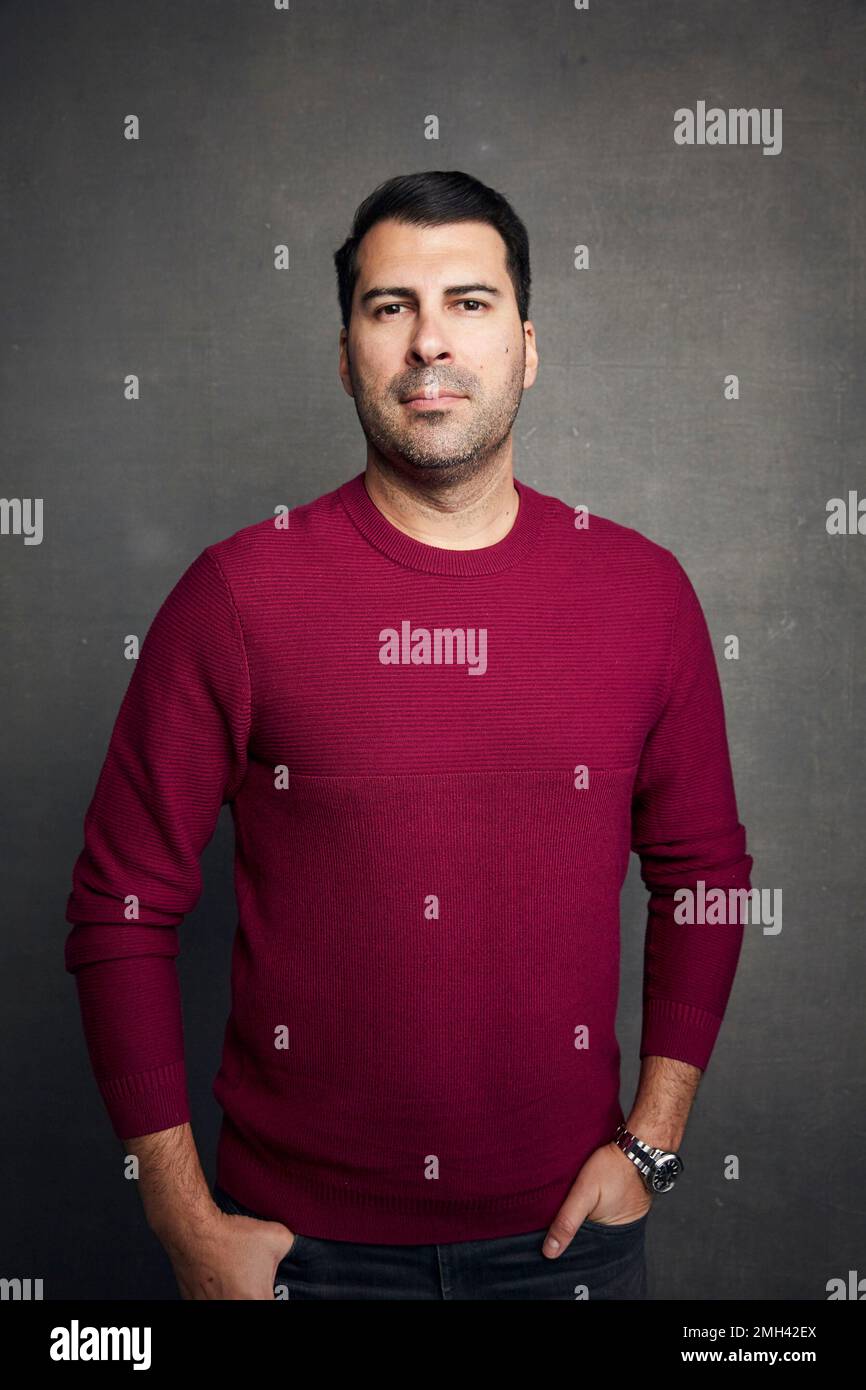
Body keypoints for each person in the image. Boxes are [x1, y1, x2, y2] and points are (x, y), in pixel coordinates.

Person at [64, 170, 752, 1301]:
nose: (429, 341)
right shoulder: (237, 597)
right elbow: (118, 904)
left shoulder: (643, 595)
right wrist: (182, 1218)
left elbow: (706, 875)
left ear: (525, 347)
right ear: (346, 353)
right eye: (390, 307)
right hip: (293, 1254)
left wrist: (651, 1140)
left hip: (567, 1242)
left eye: (468, 303)